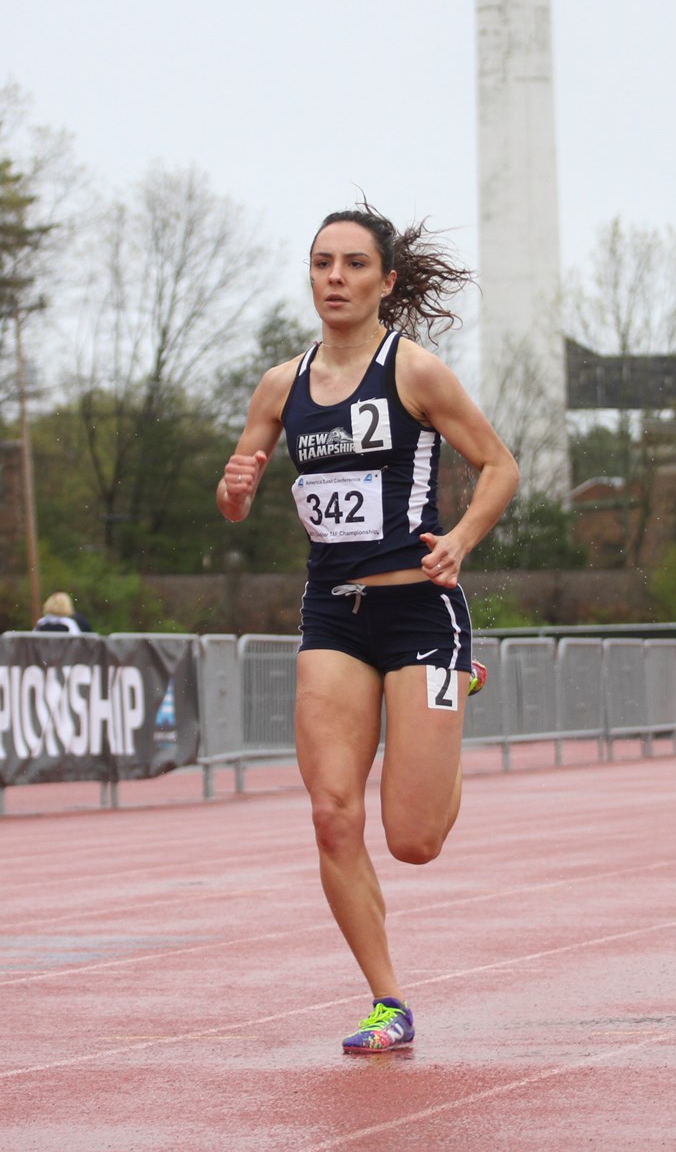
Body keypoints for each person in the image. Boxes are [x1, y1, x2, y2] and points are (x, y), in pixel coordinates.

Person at [217, 204, 517, 1054]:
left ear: (386, 280)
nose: (335, 278)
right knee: (331, 813)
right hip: (332, 612)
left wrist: (459, 540)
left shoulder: (415, 372)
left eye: (353, 263)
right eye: (321, 263)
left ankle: (455, 686)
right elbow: (234, 497)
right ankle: (388, 999)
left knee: (414, 840)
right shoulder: (280, 385)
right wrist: (235, 490)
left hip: (419, 608)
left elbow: (500, 465)